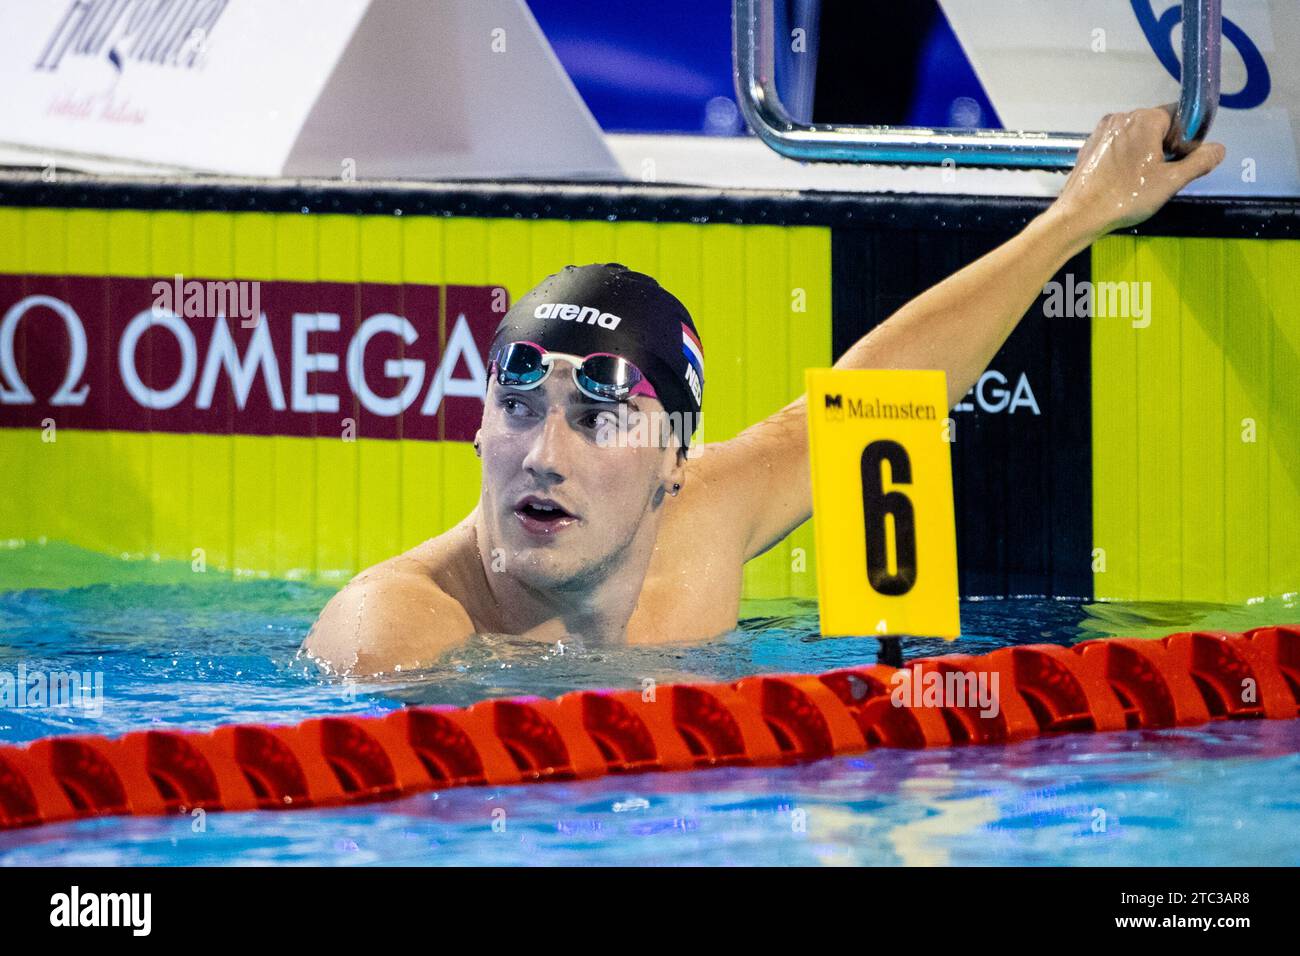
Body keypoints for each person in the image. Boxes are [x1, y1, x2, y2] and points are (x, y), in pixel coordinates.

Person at [303, 107, 1225, 675]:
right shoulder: (401, 637)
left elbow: (876, 391)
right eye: (518, 409)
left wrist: (1081, 213)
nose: (544, 455)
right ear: (476, 429)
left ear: (676, 459)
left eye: (597, 419)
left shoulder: (702, 520)